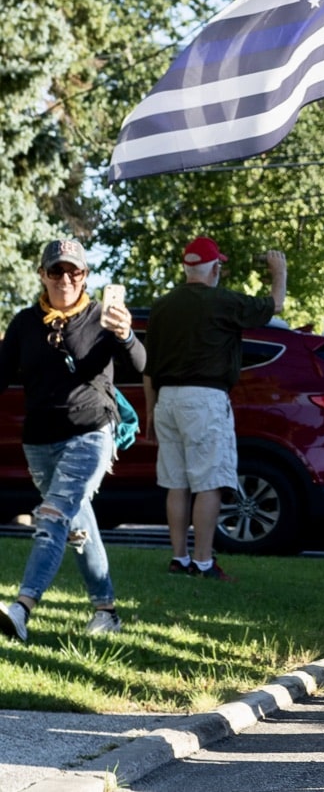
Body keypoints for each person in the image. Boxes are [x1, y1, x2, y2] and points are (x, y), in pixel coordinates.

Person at [0, 241, 143, 642]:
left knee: (52, 517)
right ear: (42, 275)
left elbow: (141, 363)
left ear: (85, 276)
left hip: (91, 432)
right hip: (40, 443)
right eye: (57, 271)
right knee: (78, 524)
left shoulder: (103, 317)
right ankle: (106, 611)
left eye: (75, 272)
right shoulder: (26, 322)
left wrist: (127, 335)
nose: (66, 279)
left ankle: (21, 608)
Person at [144, 237, 285, 582]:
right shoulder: (222, 301)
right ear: (215, 268)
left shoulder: (162, 306)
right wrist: (278, 272)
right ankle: (204, 563)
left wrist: (150, 412)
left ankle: (179, 559)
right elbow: (275, 306)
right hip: (205, 399)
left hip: (167, 401)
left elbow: (148, 367)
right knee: (208, 483)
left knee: (176, 483)